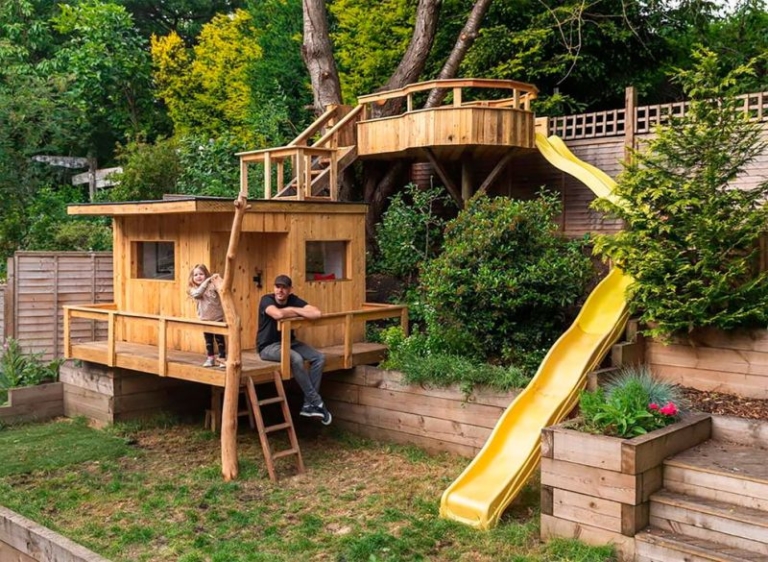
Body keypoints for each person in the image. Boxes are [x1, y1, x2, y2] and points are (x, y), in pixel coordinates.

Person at [257, 275, 331, 425]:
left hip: (290, 343)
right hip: (268, 347)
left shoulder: (293, 300)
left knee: (319, 357)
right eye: (277, 287)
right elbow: (277, 314)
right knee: (296, 358)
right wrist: (297, 311)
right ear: (274, 288)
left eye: (284, 287)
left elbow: (316, 313)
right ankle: (316, 401)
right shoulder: (266, 300)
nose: (280, 290)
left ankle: (308, 405)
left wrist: (290, 309)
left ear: (290, 290)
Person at [188, 264, 226, 368]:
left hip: (217, 318)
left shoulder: (212, 286)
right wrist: (207, 281)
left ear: (206, 274)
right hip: (205, 319)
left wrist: (218, 279)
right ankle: (210, 358)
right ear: (192, 277)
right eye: (196, 275)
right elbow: (197, 294)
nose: (198, 277)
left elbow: (223, 289)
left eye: (201, 274)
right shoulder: (193, 289)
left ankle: (222, 359)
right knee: (209, 340)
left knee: (220, 340)